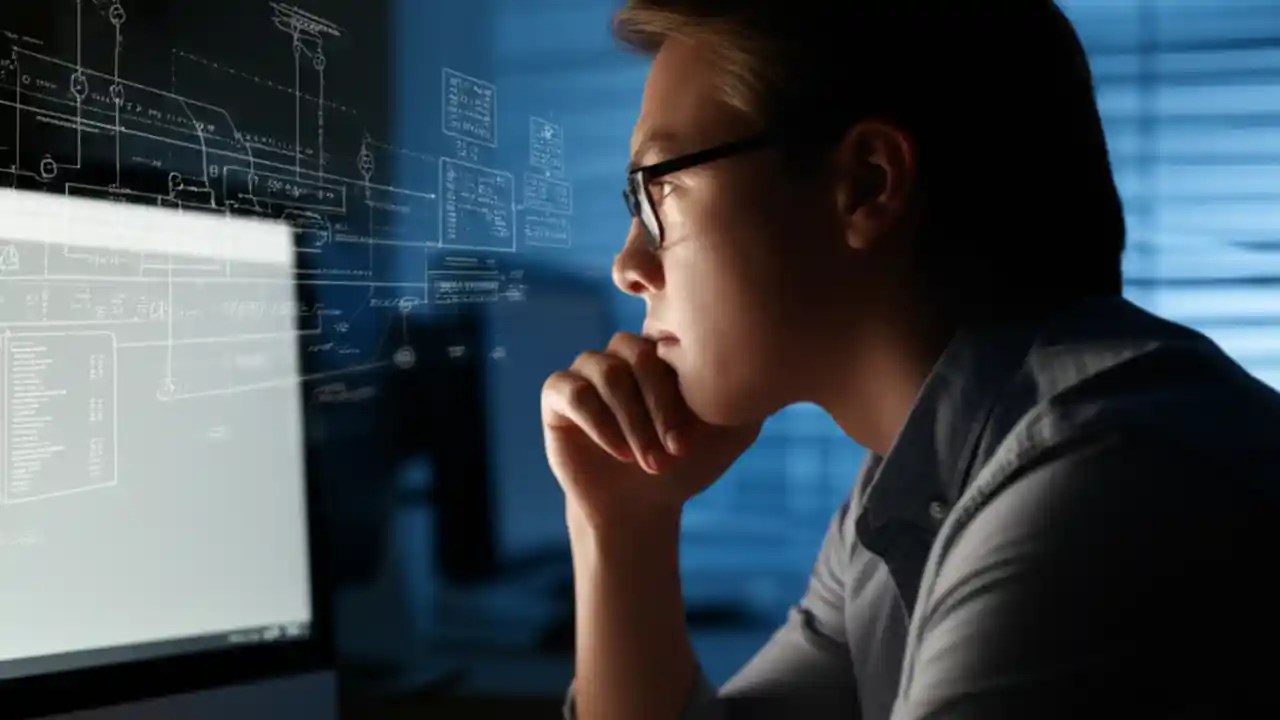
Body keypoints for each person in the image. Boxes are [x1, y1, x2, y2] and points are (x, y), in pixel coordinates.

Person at [540, 2, 1280, 718]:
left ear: (867, 184)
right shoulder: (910, 489)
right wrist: (621, 526)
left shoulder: (1107, 469)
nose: (628, 264)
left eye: (659, 188)